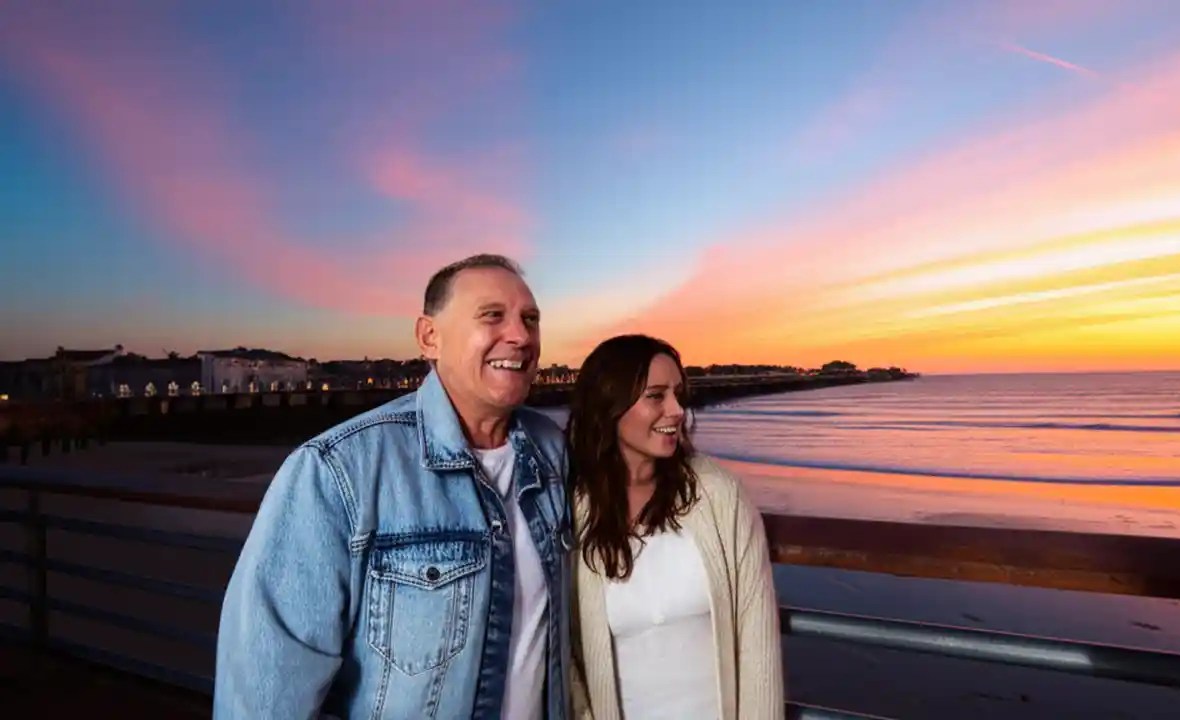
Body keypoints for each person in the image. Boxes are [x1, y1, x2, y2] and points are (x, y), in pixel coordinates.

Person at [214, 254, 574, 719]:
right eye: (492, 316)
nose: (521, 336)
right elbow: (264, 694)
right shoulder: (339, 471)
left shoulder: (552, 453)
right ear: (429, 337)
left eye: (530, 320)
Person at [567, 334, 784, 720]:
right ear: (609, 405)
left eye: (678, 394)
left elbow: (758, 645)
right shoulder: (571, 510)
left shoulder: (719, 496)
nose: (677, 410)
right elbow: (570, 662)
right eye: (656, 396)